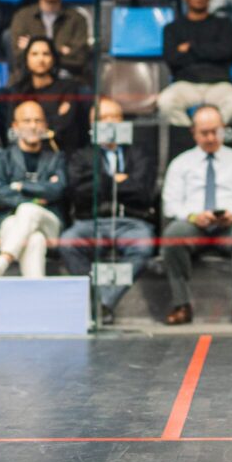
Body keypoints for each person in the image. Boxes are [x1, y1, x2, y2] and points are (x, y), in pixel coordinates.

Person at [161, 105, 232, 325]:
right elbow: (170, 204)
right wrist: (193, 216)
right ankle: (181, 304)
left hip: (230, 225)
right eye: (204, 132)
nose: (210, 137)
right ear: (193, 133)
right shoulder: (180, 163)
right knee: (172, 234)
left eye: (215, 131)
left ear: (223, 129)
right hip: (194, 225)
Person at [60, 97, 157, 324]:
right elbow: (80, 193)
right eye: (104, 118)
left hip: (131, 221)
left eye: (116, 116)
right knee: (68, 242)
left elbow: (143, 191)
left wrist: (101, 182)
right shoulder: (80, 156)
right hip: (91, 222)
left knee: (143, 245)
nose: (110, 122)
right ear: (92, 125)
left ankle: (102, 303)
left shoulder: (140, 153)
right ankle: (97, 300)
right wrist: (118, 181)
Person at [0, 100, 67, 279]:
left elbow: (58, 189)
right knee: (35, 239)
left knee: (28, 210)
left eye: (38, 120)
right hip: (9, 222)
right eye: (27, 121)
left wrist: (21, 186)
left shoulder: (56, 158)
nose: (33, 126)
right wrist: (36, 197)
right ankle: (36, 296)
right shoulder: (1, 157)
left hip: (50, 224)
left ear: (45, 125)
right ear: (15, 127)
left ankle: (2, 262)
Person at [158, 0, 232, 126]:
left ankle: (211, 133)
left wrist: (190, 47)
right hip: (185, 84)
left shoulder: (224, 25)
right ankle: (194, 135)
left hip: (219, 84)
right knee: (166, 103)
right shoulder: (172, 29)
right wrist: (209, 50)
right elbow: (172, 59)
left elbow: (225, 52)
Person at [8, 0, 90, 80]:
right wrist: (61, 51)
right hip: (30, 82)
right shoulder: (23, 17)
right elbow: (19, 57)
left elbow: (79, 59)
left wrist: (34, 49)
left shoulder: (77, 19)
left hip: (68, 82)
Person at [5, 36, 88, 152]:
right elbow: (12, 129)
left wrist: (28, 124)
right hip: (24, 152)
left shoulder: (67, 88)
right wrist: (53, 120)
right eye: (34, 54)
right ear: (26, 58)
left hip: (60, 151)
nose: (41, 59)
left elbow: (65, 125)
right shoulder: (18, 90)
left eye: (46, 54)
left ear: (53, 58)